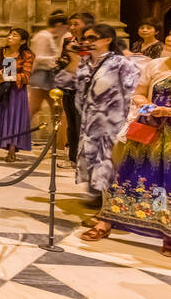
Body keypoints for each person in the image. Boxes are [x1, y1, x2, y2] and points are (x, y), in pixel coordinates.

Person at [87, 22, 171, 256]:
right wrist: (147, 106)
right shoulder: (156, 65)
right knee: (127, 174)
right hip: (148, 129)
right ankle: (107, 221)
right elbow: (139, 94)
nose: (170, 37)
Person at [56, 23, 140, 208]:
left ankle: (110, 204)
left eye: (92, 38)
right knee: (92, 158)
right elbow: (64, 83)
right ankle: (97, 197)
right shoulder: (85, 63)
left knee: (108, 160)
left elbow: (134, 91)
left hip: (113, 121)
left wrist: (130, 120)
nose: (86, 42)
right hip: (89, 120)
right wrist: (72, 58)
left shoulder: (120, 63)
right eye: (85, 38)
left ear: (107, 40)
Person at [0, 28, 34, 161]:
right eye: (10, 34)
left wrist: (9, 76)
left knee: (13, 119)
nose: (10, 37)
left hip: (16, 91)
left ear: (22, 41)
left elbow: (26, 76)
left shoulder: (27, 55)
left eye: (15, 35)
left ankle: (12, 151)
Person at [54, 11, 95, 165]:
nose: (71, 27)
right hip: (69, 86)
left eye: (76, 24)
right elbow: (64, 60)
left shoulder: (93, 43)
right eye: (70, 24)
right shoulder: (68, 41)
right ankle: (72, 158)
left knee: (82, 124)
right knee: (71, 123)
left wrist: (74, 57)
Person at [28, 11, 70, 121]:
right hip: (41, 74)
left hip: (50, 74)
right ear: (59, 25)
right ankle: (18, 133)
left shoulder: (54, 37)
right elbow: (36, 57)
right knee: (34, 107)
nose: (67, 30)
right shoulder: (43, 36)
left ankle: (57, 136)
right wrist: (55, 59)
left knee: (57, 108)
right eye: (66, 27)